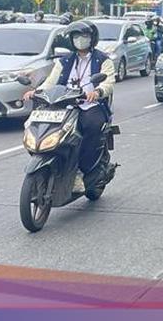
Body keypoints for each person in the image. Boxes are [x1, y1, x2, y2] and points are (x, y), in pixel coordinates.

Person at [22, 21, 116, 197]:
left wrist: (98, 91)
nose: (80, 40)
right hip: (64, 104)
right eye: (76, 37)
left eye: (84, 36)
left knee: (91, 127)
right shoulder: (64, 61)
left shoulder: (103, 60)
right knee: (40, 125)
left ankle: (82, 171)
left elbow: (109, 81)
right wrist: (36, 92)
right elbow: (51, 81)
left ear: (92, 39)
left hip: (90, 105)